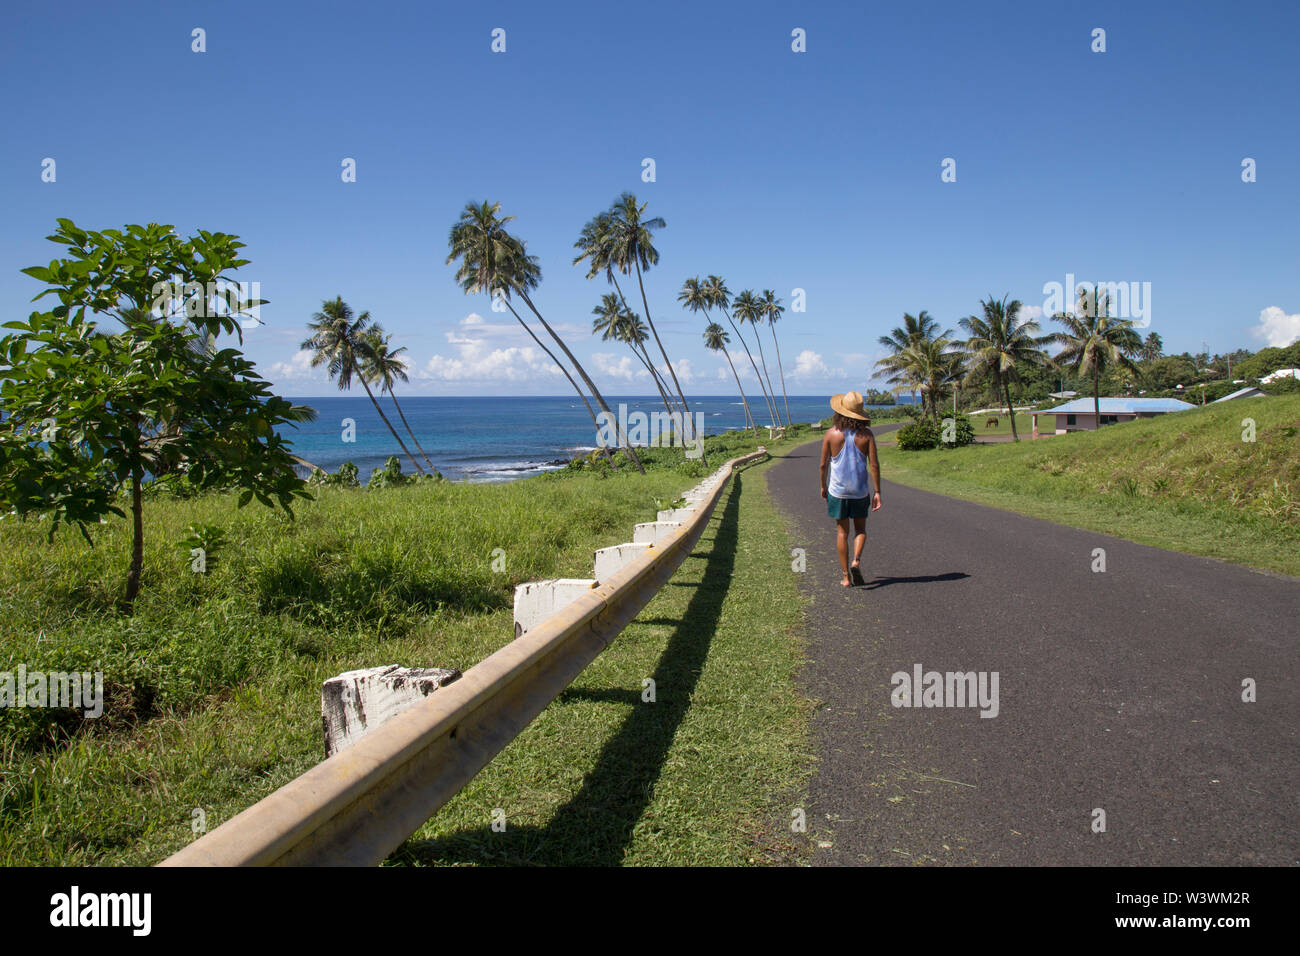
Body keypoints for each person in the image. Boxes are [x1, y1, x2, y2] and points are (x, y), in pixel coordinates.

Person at [819, 391, 882, 587]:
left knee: (841, 533)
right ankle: (856, 560)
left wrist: (823, 486)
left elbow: (823, 465)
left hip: (837, 491)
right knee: (860, 529)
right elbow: (874, 465)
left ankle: (846, 577)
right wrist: (878, 492)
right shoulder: (867, 435)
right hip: (860, 491)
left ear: (839, 412)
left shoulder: (831, 434)